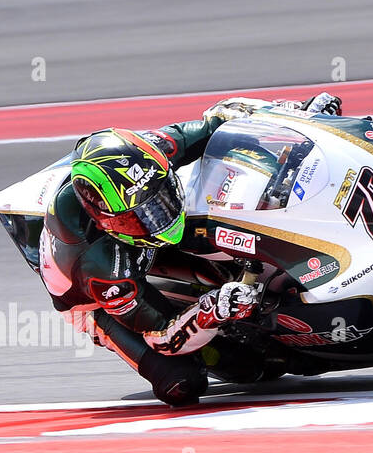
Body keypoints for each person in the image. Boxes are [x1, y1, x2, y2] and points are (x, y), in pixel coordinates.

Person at [37, 93, 342, 405]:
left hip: (137, 247)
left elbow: (224, 117)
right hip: (99, 302)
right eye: (140, 218)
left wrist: (297, 113)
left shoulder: (152, 153)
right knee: (184, 382)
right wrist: (210, 312)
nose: (160, 220)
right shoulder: (101, 267)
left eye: (161, 200)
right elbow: (163, 337)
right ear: (107, 221)